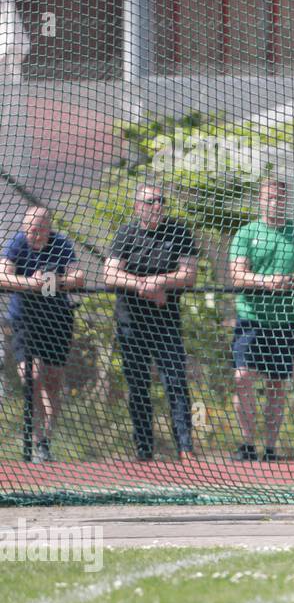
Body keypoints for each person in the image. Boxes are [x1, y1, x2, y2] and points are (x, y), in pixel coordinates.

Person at [104, 183, 200, 461]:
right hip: (131, 322)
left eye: (160, 201)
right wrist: (143, 286)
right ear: (137, 206)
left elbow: (189, 274)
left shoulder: (179, 232)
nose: (156, 206)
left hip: (166, 321)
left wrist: (161, 281)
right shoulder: (126, 233)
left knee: (176, 383)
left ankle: (185, 447)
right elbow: (110, 275)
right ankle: (144, 449)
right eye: (149, 202)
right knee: (138, 385)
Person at [228, 177, 294, 462]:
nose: (274, 203)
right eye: (269, 198)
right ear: (260, 200)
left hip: (285, 321)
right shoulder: (246, 233)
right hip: (251, 318)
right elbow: (237, 275)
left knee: (277, 384)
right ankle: (247, 444)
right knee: (242, 378)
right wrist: (266, 282)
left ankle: (270, 448)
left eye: (279, 198)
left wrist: (290, 280)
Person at [0, 205, 85, 462]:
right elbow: (3, 274)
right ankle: (35, 435)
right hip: (25, 320)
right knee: (30, 376)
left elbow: (78, 276)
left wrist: (52, 281)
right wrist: (30, 283)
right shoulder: (17, 242)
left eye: (39, 228)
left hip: (57, 319)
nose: (33, 233)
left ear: (48, 228)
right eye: (30, 228)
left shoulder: (61, 243)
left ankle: (45, 442)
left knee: (52, 380)